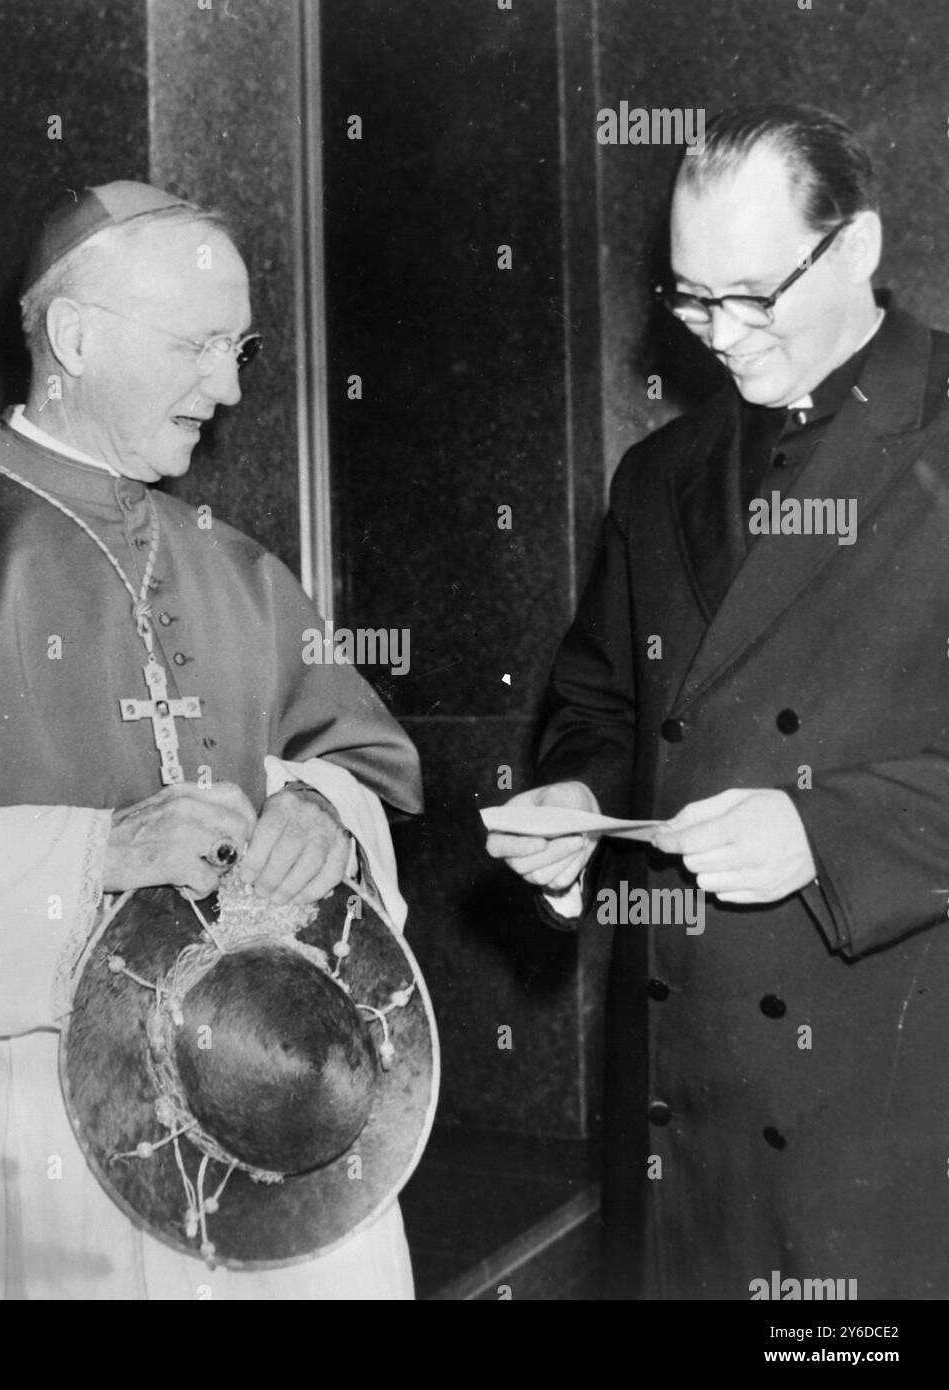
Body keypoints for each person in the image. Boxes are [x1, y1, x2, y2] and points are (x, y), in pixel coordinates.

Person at [0, 181, 423, 1299]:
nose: (226, 386)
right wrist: (92, 860)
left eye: (240, 347)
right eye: (199, 345)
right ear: (74, 338)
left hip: (262, 1116)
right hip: (18, 1147)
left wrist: (320, 813)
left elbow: (353, 758)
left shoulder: (236, 566)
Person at [487, 104, 949, 1299]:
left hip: (893, 1113)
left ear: (855, 250)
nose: (721, 337)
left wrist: (823, 831)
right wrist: (575, 805)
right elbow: (596, 700)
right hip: (683, 1116)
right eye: (693, 301)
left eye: (754, 295)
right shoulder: (659, 475)